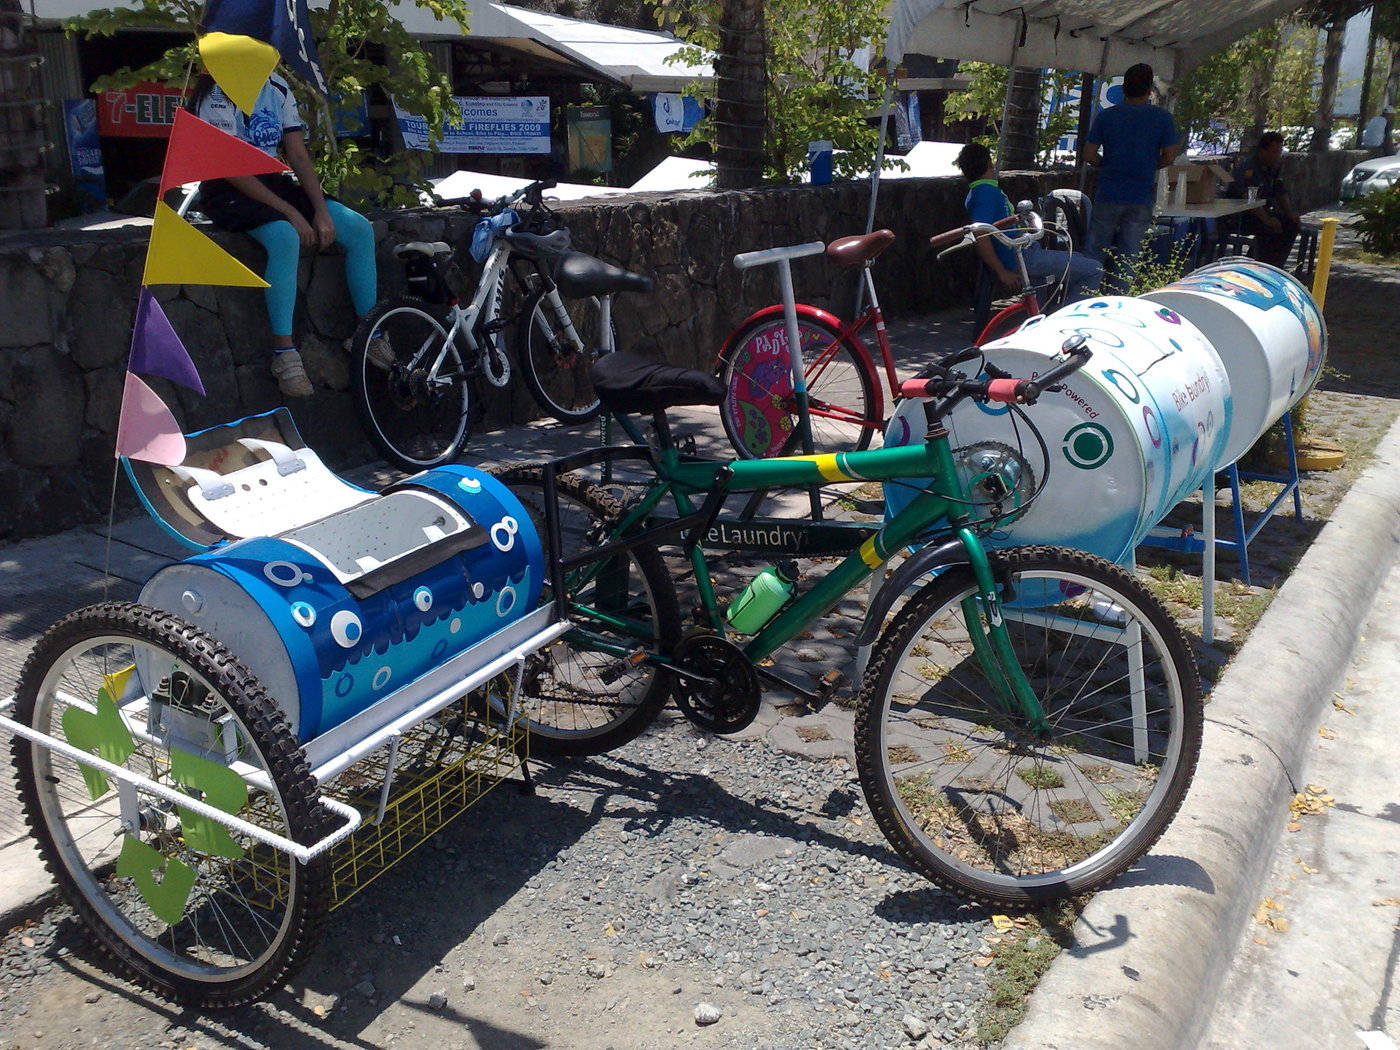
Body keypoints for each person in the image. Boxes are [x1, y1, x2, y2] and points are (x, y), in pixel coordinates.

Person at [191, 72, 390, 397]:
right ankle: (285, 354)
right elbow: (229, 167)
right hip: (228, 187)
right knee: (284, 236)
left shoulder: (278, 87)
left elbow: (296, 154)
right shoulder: (216, 93)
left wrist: (321, 209)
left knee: (357, 229)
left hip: (274, 181)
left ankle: (368, 333)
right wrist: (290, 211)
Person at [953, 142, 1102, 305]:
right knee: (1093, 270)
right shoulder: (985, 193)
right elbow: (981, 234)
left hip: (1023, 253)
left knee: (1077, 260)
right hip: (1021, 257)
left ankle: (1049, 313)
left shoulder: (980, 192)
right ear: (990, 164)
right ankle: (1069, 318)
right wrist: (1002, 272)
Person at [1084, 63, 1177, 294]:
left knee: (1095, 251)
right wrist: (1147, 166)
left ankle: (1084, 295)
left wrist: (1107, 164)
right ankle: (1117, 301)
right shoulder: (1162, 118)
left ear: (1123, 88)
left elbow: (1088, 154)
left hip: (1108, 191)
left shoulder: (1107, 117)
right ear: (1149, 90)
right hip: (1140, 194)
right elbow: (1170, 156)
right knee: (1129, 256)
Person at [1226, 131, 1300, 269]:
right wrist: (1267, 220)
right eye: (1273, 152)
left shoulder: (1273, 168)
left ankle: (1275, 266)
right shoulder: (1249, 168)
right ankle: (1258, 265)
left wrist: (1290, 213)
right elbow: (1249, 199)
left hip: (1262, 211)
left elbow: (1280, 191)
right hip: (1242, 215)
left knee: (1290, 224)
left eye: (1279, 152)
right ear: (1262, 151)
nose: (1276, 156)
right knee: (1268, 228)